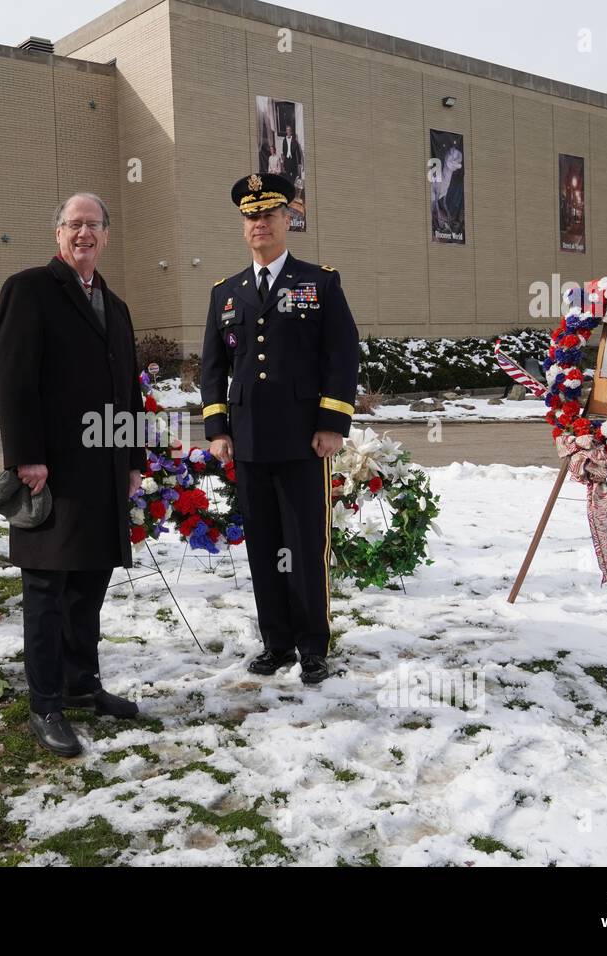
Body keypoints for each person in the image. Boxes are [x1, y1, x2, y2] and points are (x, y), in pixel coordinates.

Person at [0, 192, 145, 756]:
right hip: (49, 474)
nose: (84, 233)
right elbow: (13, 380)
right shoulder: (29, 289)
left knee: (89, 587)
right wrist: (25, 456)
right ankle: (46, 702)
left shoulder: (116, 304)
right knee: (48, 590)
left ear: (106, 236)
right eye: (74, 224)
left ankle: (83, 685)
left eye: (94, 225)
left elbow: (128, 392)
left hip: (102, 473)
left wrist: (132, 461)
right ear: (58, 234)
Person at [199, 173, 359, 685]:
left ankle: (312, 645)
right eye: (251, 216)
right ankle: (276, 643)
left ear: (289, 219)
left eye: (269, 213)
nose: (259, 224)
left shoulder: (319, 282)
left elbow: (341, 356)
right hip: (246, 442)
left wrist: (332, 423)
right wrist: (217, 429)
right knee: (264, 546)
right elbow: (211, 370)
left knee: (305, 545)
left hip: (303, 441)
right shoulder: (226, 291)